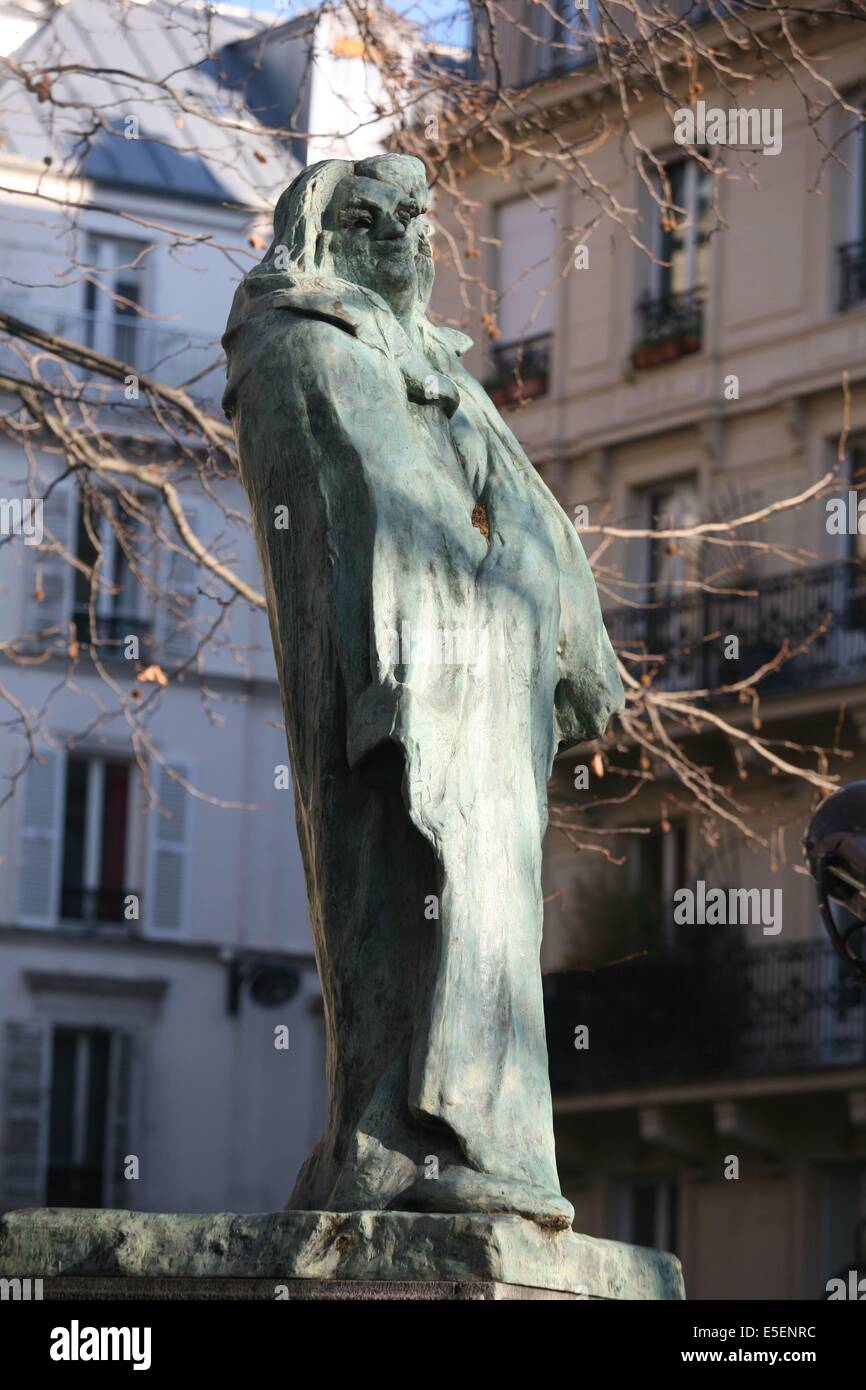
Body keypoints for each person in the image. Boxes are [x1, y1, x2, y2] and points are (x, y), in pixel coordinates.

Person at [222, 153, 623, 1228]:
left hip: (476, 689)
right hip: (391, 696)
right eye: (370, 217)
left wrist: (550, 617)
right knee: (403, 901)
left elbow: (529, 523)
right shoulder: (303, 341)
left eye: (415, 217)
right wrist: (508, 601)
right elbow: (384, 509)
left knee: (478, 908)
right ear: (321, 235)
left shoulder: (437, 369)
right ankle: (417, 1138)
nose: (403, 235)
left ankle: (478, 1142)